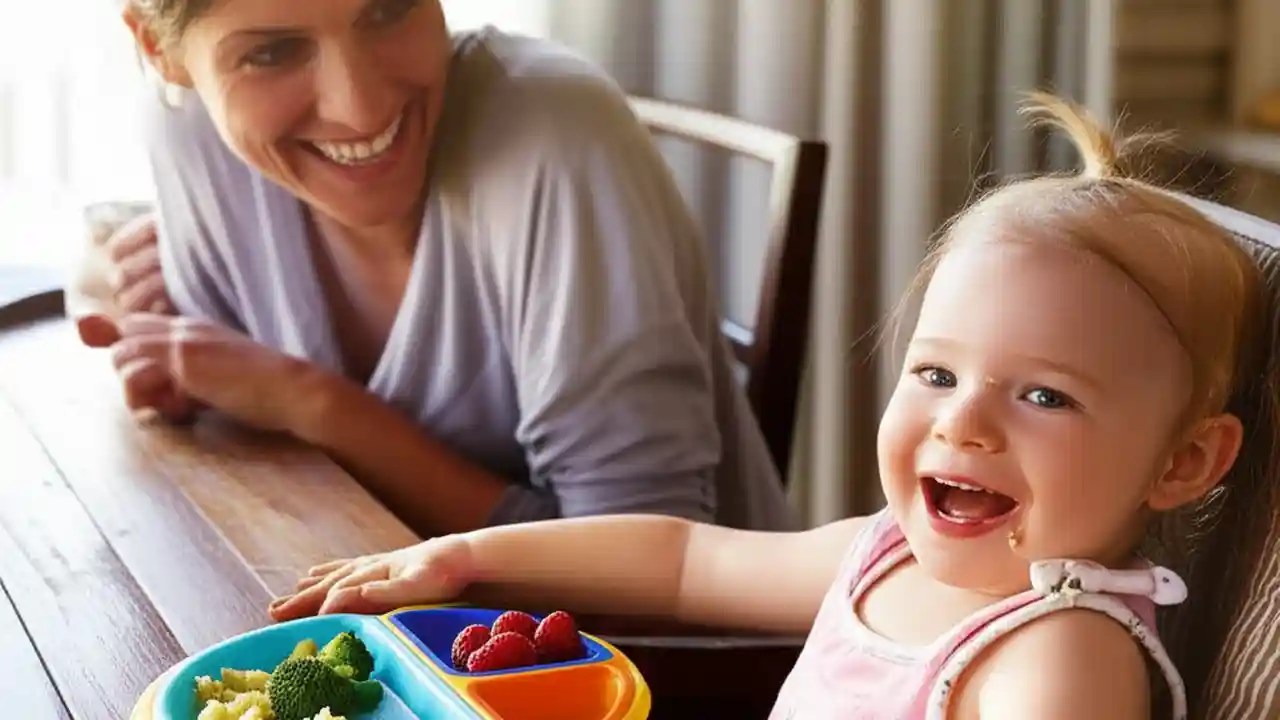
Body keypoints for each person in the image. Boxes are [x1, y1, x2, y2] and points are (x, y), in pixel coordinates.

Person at [268, 94, 1272, 719]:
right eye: (934, 374)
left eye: (1044, 395)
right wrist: (469, 558)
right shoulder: (884, 554)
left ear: (1180, 463)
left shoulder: (1059, 656)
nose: (961, 423)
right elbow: (684, 559)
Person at [71, 0, 794, 536]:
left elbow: (647, 562)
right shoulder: (188, 129)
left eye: (389, 8)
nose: (360, 107)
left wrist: (317, 407)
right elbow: (214, 418)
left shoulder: (553, 137)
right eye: (271, 54)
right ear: (156, 50)